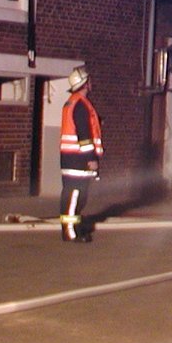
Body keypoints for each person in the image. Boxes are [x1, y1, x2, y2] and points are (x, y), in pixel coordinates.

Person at [59, 65, 102, 243]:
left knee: (77, 197)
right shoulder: (81, 105)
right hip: (77, 160)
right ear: (85, 84)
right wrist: (91, 158)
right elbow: (84, 135)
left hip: (72, 158)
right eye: (89, 81)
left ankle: (74, 228)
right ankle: (70, 232)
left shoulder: (73, 102)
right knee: (75, 195)